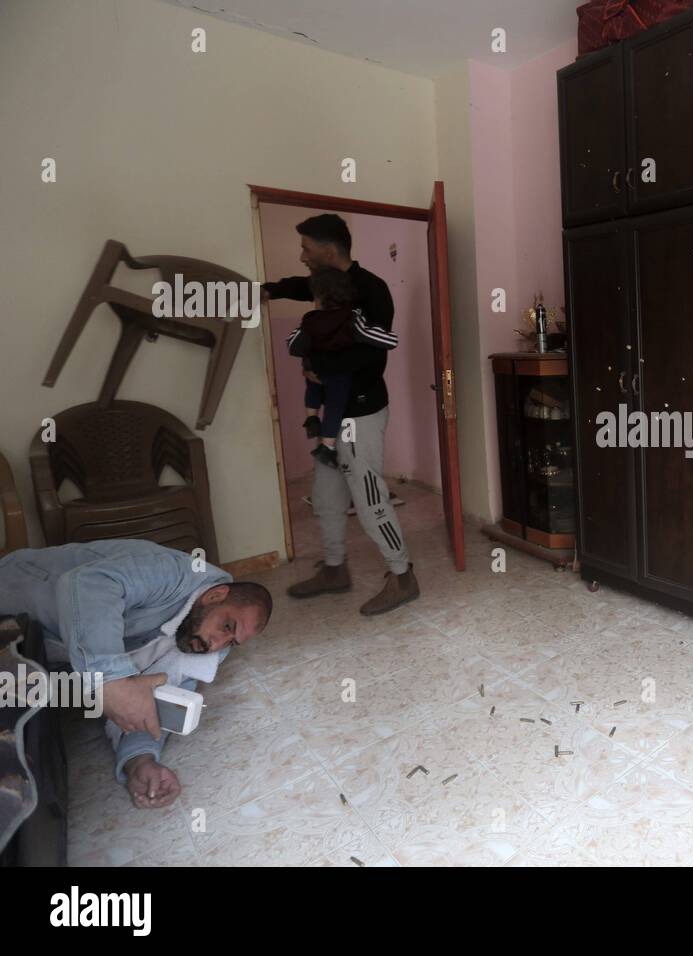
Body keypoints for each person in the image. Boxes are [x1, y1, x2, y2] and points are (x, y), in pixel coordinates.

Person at [0, 539, 272, 810]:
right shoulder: (172, 573)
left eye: (232, 641)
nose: (217, 644)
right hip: (14, 593)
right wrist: (111, 679)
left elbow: (154, 698)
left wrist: (140, 760)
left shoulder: (202, 644)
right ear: (215, 595)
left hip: (41, 653)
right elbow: (86, 583)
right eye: (227, 626)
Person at [264, 213, 419, 616]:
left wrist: (322, 368)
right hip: (333, 414)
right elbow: (296, 286)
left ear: (329, 251)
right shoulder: (323, 287)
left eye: (306, 249)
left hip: (360, 412)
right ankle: (335, 570)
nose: (301, 256)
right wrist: (262, 290)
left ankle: (402, 576)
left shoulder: (372, 290)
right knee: (327, 499)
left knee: (369, 500)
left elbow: (375, 350)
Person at [288, 268, 364, 470]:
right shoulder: (351, 316)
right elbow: (371, 337)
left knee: (312, 386)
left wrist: (307, 358)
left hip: (315, 368)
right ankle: (327, 447)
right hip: (339, 372)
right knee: (334, 407)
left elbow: (293, 346)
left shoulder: (311, 318)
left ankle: (311, 418)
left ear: (319, 296)